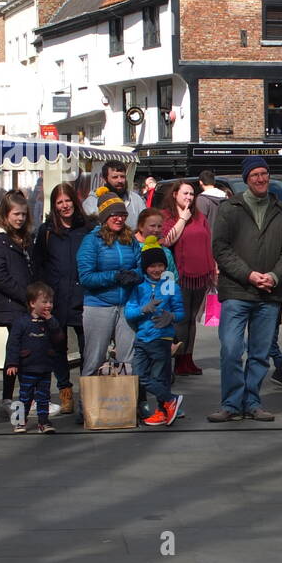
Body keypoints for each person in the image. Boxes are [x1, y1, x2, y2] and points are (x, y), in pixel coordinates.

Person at [208, 156, 282, 423]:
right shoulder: (230, 209)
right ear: (246, 179)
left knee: (260, 354)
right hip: (236, 291)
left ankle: (252, 401)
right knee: (231, 349)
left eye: (264, 173)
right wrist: (248, 274)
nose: (261, 179)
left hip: (269, 294)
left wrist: (274, 275)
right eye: (255, 174)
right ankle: (231, 403)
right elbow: (221, 248)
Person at [34, 182, 90, 416]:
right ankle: (65, 390)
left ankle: (87, 393)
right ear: (54, 205)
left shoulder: (87, 228)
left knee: (89, 348)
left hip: (83, 296)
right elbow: (38, 265)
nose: (65, 206)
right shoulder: (47, 231)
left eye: (68, 200)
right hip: (55, 299)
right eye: (60, 202)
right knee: (58, 348)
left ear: (75, 202)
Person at [76, 190, 143, 383]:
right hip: (99, 305)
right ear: (105, 216)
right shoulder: (92, 241)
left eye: (122, 214)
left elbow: (140, 267)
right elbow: (86, 277)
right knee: (94, 358)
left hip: (127, 306)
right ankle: (87, 407)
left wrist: (135, 276)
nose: (119, 218)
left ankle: (125, 406)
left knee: (127, 360)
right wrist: (115, 276)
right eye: (114, 214)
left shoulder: (130, 239)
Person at [0, 190, 37, 413]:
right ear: (5, 214)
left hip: (23, 301)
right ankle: (15, 399)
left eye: (24, 214)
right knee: (19, 349)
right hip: (10, 303)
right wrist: (26, 297)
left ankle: (14, 398)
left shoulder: (24, 238)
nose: (20, 218)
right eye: (16, 214)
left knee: (18, 350)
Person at [125, 238, 186, 427]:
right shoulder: (138, 287)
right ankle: (171, 399)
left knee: (161, 376)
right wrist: (144, 309)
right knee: (139, 375)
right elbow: (129, 312)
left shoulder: (171, 286)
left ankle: (162, 411)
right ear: (145, 268)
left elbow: (181, 312)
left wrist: (172, 317)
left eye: (160, 265)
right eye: (152, 266)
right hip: (142, 337)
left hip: (162, 337)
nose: (157, 270)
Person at [159, 180, 216, 378]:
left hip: (200, 275)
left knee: (192, 319)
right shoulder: (167, 216)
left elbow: (208, 241)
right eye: (185, 194)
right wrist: (182, 219)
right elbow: (167, 240)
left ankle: (188, 358)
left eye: (192, 194)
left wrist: (213, 267)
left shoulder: (199, 217)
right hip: (178, 276)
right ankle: (178, 359)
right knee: (180, 320)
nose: (189, 198)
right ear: (175, 194)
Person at [5, 282, 64, 434]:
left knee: (44, 397)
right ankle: (19, 422)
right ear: (32, 303)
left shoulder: (51, 322)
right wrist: (12, 363)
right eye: (44, 302)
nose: (48, 305)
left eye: (50, 302)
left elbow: (59, 338)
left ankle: (44, 422)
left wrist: (51, 321)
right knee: (25, 396)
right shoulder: (21, 322)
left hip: (44, 366)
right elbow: (13, 344)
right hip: (27, 366)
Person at [81, 160, 146, 228]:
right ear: (104, 179)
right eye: (115, 177)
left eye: (122, 176)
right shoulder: (92, 202)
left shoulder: (136, 200)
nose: (120, 180)